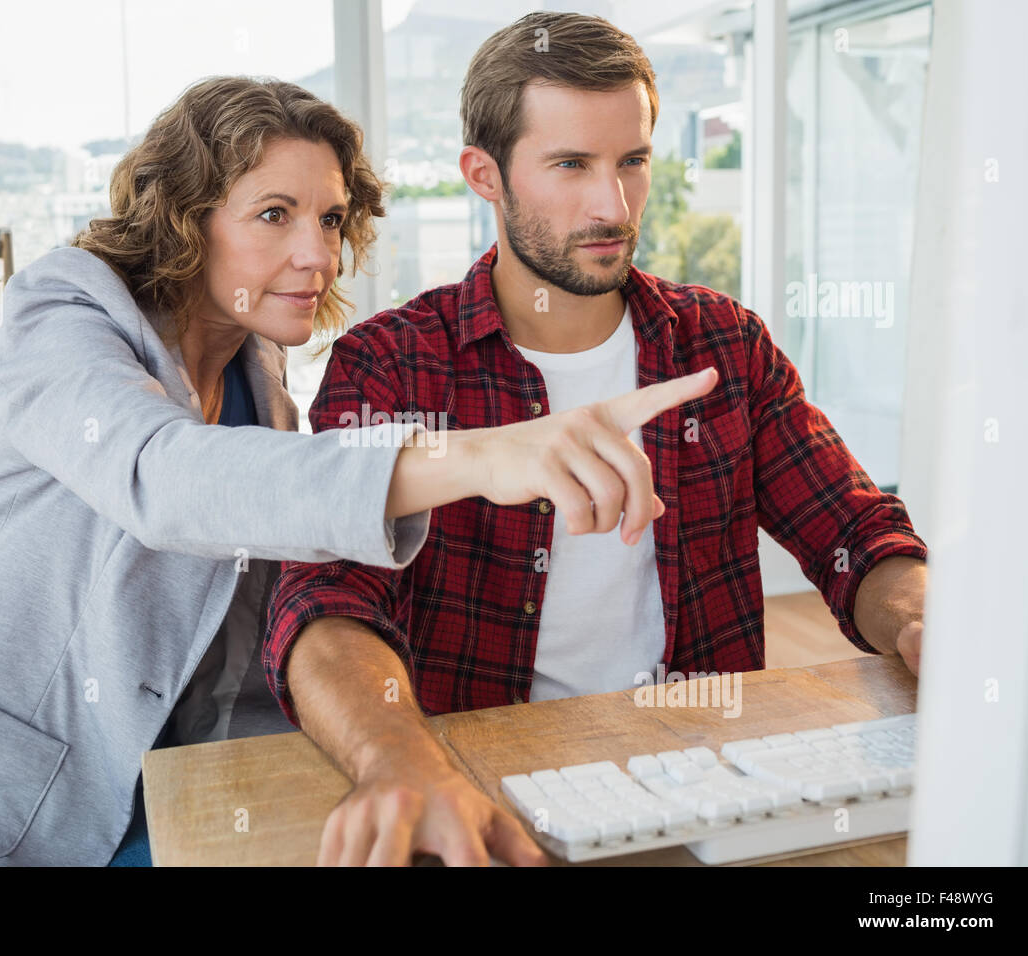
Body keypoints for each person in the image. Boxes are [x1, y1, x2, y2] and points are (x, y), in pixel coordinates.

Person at [0, 74, 715, 867]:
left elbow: (241, 653)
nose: (318, 253)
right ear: (185, 217)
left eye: (331, 218)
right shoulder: (58, 313)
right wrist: (482, 454)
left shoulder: (259, 378)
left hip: (132, 811)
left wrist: (397, 760)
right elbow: (165, 478)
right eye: (274, 215)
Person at [262, 11, 929, 866]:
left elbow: (854, 532)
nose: (612, 206)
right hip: (482, 799)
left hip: (708, 788)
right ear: (485, 175)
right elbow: (322, 600)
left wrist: (919, 619)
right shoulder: (393, 364)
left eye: (633, 161)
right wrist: (393, 757)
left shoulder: (724, 345)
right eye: (570, 164)